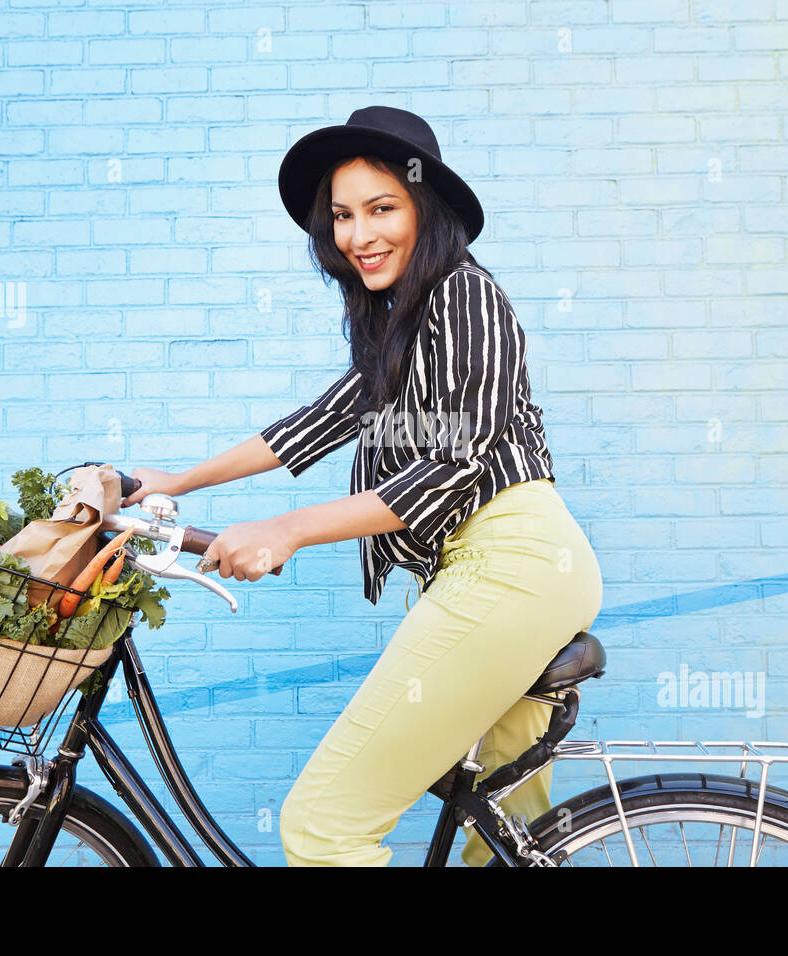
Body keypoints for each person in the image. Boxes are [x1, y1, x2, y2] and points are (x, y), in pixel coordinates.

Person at [125, 106, 603, 867]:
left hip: (513, 565)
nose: (359, 235)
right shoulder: (399, 327)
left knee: (323, 828)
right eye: (343, 217)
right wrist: (175, 478)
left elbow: (451, 466)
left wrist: (287, 530)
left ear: (427, 211)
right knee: (500, 844)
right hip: (499, 574)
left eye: (383, 209)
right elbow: (312, 425)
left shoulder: (464, 297)